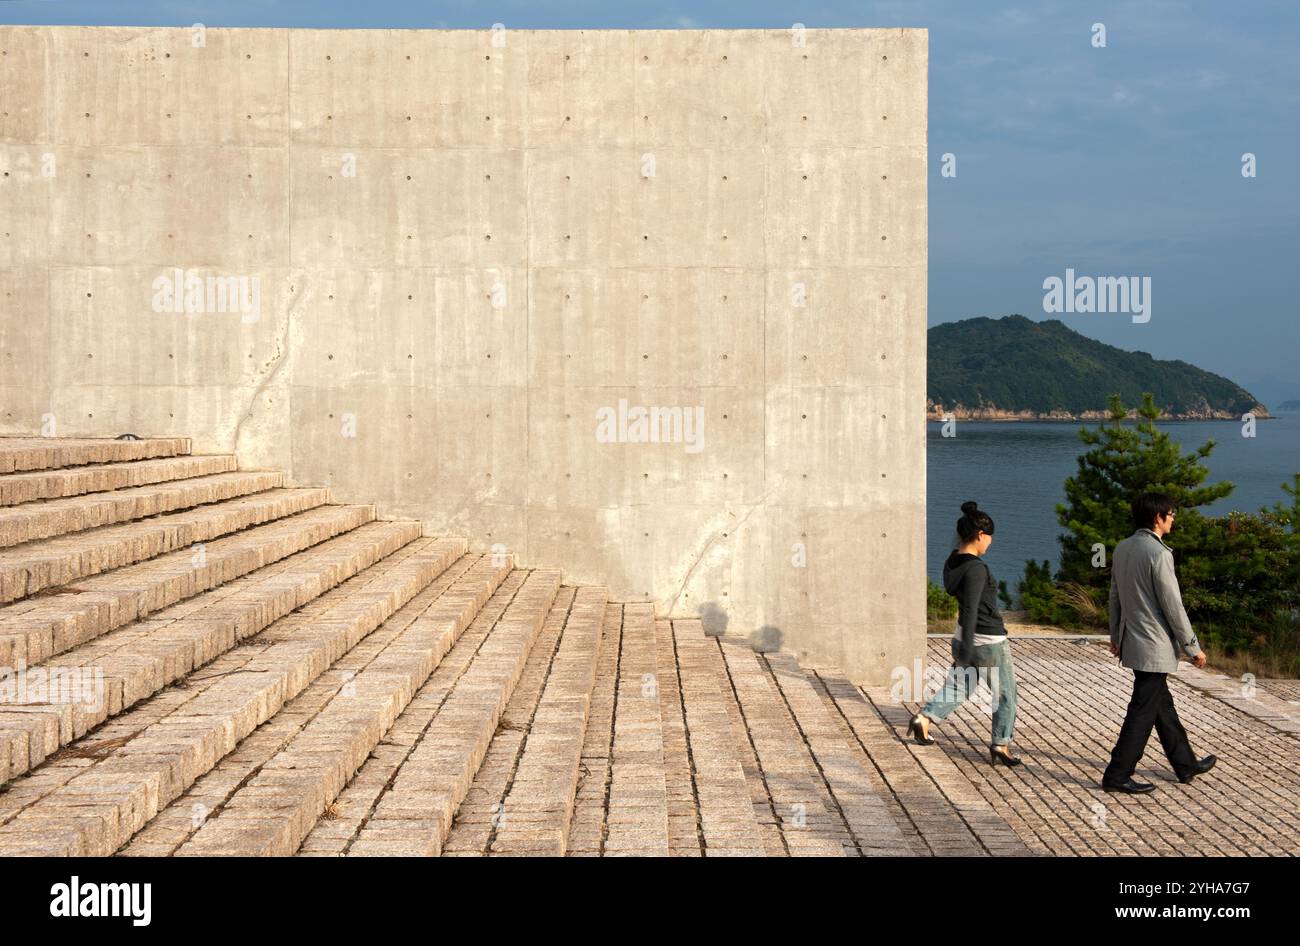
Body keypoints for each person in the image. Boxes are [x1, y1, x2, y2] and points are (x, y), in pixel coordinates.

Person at [1101, 492, 1216, 793]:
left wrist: (1116, 635)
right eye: (1171, 513)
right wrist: (1193, 647)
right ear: (1158, 517)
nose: (1173, 517)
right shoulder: (1159, 553)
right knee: (1142, 709)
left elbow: (1114, 596)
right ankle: (1117, 775)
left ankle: (1185, 763)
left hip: (1132, 641)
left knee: (1160, 704)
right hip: (1153, 646)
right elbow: (1173, 605)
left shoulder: (1123, 548)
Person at [907, 502, 1021, 766]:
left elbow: (964, 607)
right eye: (989, 536)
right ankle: (1001, 744)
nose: (991, 542)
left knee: (960, 686)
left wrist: (963, 647)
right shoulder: (977, 569)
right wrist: (969, 647)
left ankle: (924, 719)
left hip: (962, 636)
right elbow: (971, 608)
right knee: (1006, 694)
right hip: (986, 642)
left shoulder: (952, 562)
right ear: (980, 534)